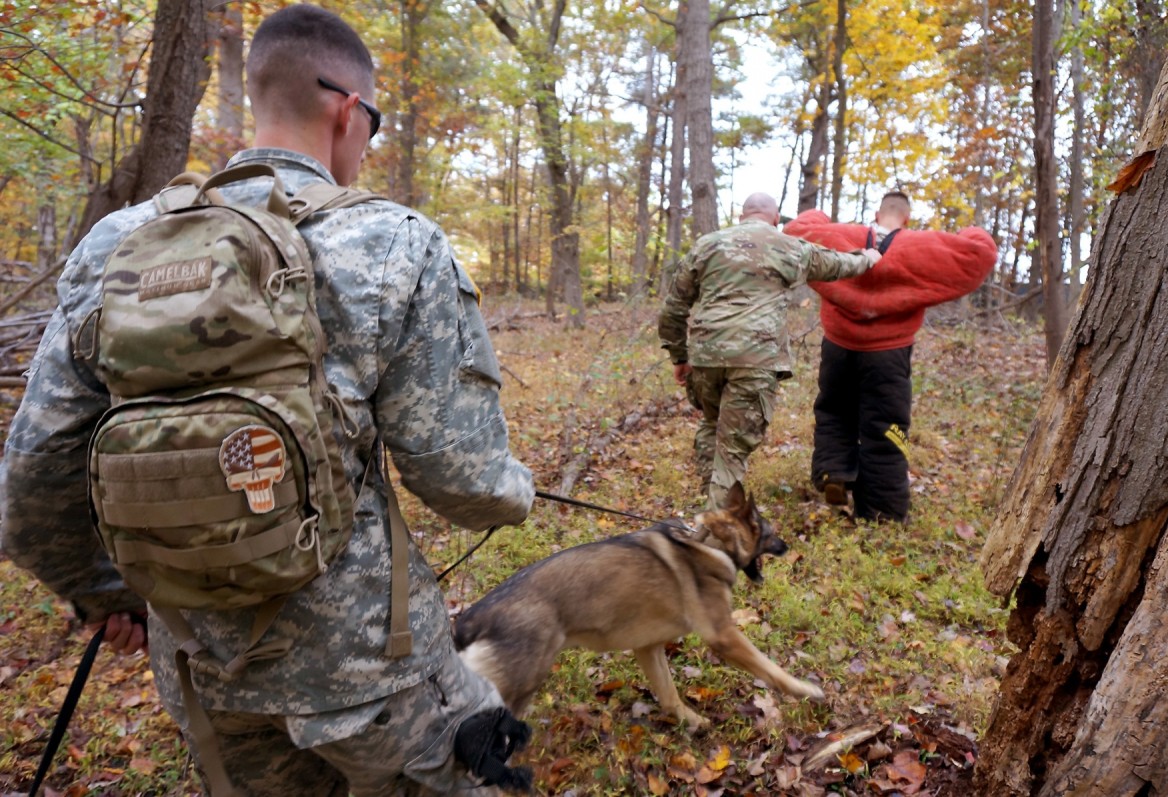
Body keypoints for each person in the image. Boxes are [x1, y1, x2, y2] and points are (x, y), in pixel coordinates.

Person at [0, 5, 534, 795]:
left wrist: (114, 594)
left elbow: (31, 481)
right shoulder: (395, 243)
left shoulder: (117, 246)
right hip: (369, 671)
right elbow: (462, 479)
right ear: (347, 110)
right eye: (374, 121)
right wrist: (516, 492)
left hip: (199, 660)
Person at [783, 191, 997, 523]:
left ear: (876, 213)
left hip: (838, 346)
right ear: (907, 218)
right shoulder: (920, 247)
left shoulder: (845, 237)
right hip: (889, 354)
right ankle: (883, 514)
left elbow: (796, 232)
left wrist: (821, 217)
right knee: (886, 427)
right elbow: (979, 254)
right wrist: (971, 231)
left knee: (834, 411)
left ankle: (833, 473)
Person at [658, 192, 881, 509]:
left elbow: (674, 307)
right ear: (776, 219)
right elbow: (837, 265)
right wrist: (869, 258)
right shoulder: (788, 246)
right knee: (733, 446)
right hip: (755, 358)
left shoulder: (706, 245)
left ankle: (710, 499)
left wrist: (679, 356)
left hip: (706, 356)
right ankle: (716, 526)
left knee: (712, 424)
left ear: (742, 216)